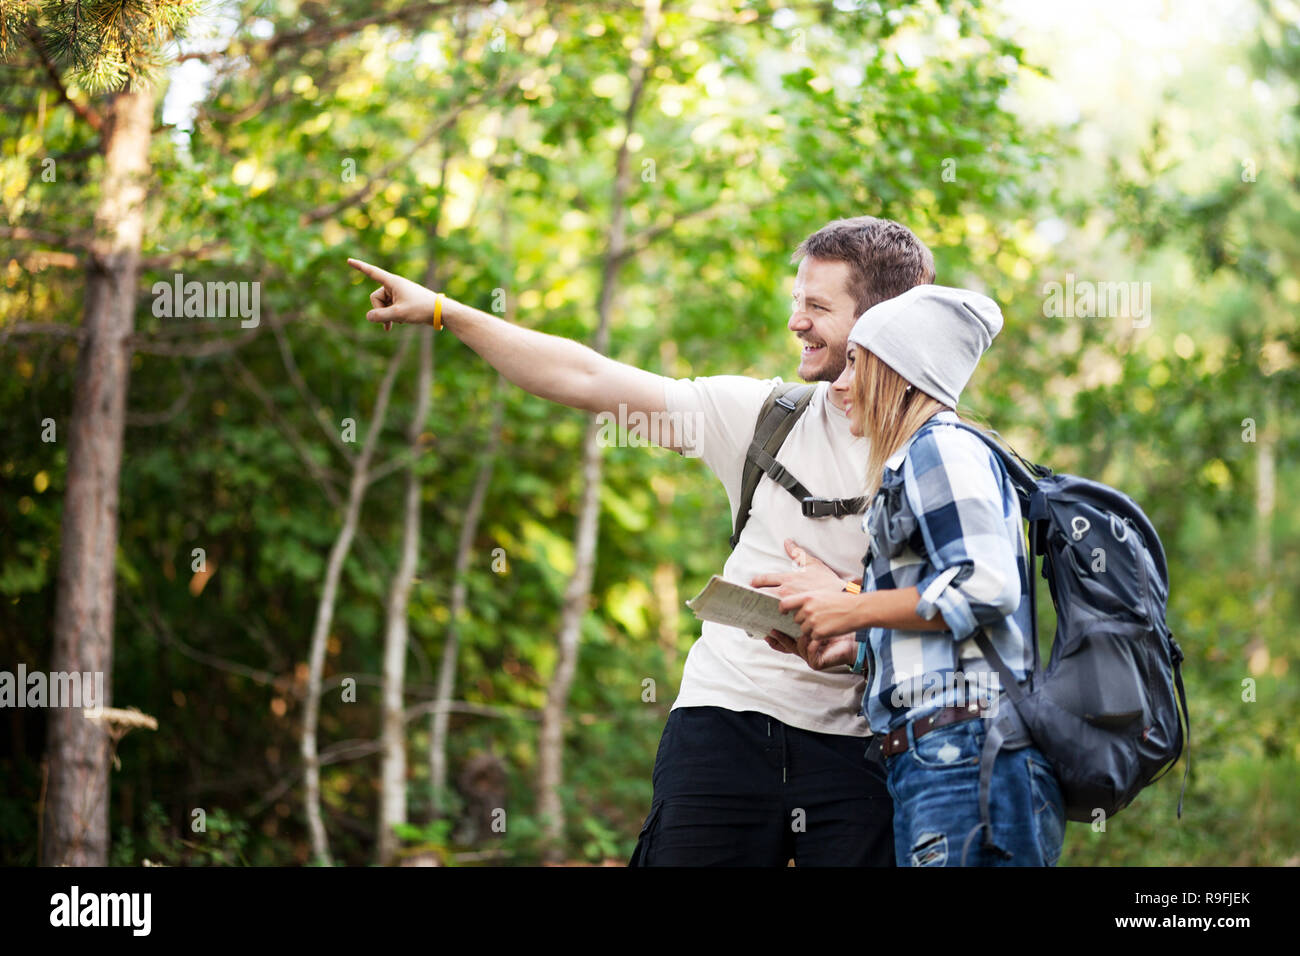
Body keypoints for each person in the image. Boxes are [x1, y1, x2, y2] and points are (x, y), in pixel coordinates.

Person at [348, 216, 936, 866]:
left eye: (818, 307)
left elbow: (973, 604)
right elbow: (587, 379)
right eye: (797, 302)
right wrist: (442, 311)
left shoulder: (947, 456)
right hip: (726, 719)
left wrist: (853, 605)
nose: (797, 322)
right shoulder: (762, 415)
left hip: (864, 745)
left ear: (883, 322)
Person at [762, 285, 1067, 867]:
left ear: (899, 375)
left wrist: (850, 608)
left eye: (856, 362)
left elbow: (986, 584)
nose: (840, 383)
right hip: (938, 753)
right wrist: (853, 648)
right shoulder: (918, 460)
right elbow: (945, 627)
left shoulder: (941, 449)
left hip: (964, 752)